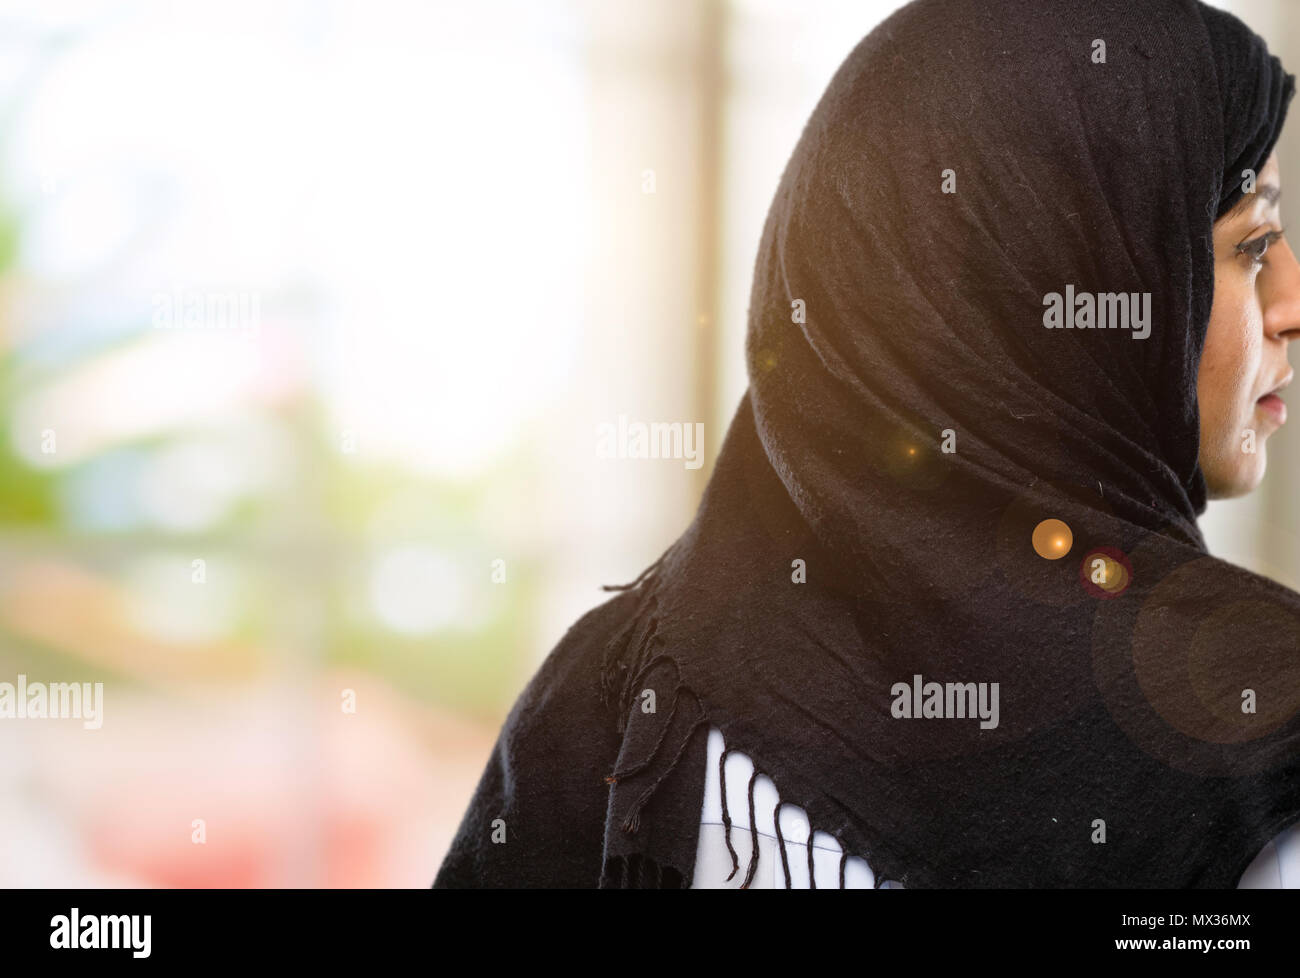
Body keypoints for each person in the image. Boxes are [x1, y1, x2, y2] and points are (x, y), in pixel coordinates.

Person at [434, 0, 1300, 889]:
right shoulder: (1258, 735)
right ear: (1057, 281)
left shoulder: (604, 696)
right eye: (1254, 245)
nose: (1292, 306)